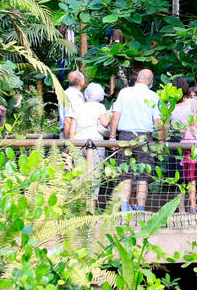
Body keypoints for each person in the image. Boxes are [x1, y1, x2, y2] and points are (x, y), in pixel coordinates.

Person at [109, 67, 161, 212]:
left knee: (126, 173)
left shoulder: (125, 93)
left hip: (125, 135)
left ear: (138, 78)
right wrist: (161, 141)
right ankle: (140, 208)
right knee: (143, 176)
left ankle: (125, 207)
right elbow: (158, 121)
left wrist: (113, 136)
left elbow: (116, 114)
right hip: (145, 137)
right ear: (151, 82)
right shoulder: (154, 96)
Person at [65, 82, 111, 210]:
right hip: (95, 142)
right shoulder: (100, 107)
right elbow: (105, 122)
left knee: (80, 173)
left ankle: (79, 204)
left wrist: (70, 146)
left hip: (79, 142)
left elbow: (71, 130)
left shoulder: (79, 107)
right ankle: (91, 205)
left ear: (86, 95)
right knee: (95, 173)